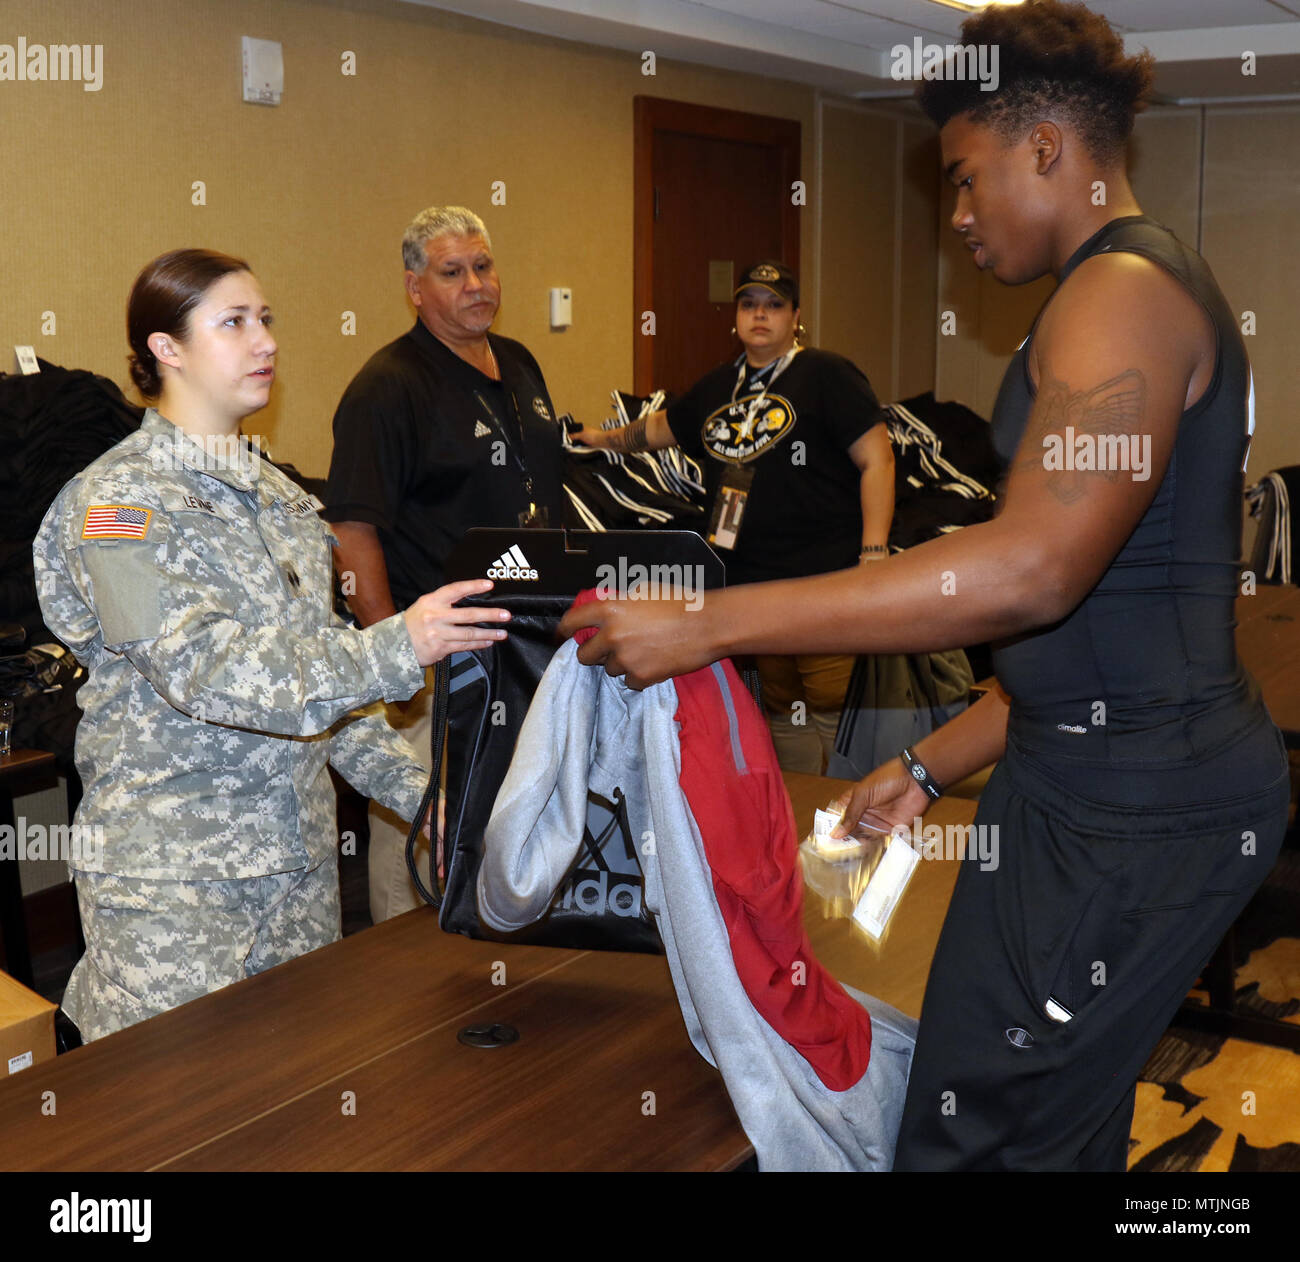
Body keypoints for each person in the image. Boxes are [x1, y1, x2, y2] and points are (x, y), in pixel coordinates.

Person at [558, 0, 1290, 1171]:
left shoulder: (1122, 298)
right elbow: (1101, 623)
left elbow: (1028, 571)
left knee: (978, 1130)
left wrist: (708, 623)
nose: (953, 216)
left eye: (964, 177)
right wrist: (920, 764)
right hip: (1088, 776)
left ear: (1044, 146)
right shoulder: (1128, 291)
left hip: (1135, 810)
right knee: (1035, 1116)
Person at [33, 248, 510, 1041]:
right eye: (234, 322)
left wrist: (422, 797)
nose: (265, 341)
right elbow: (200, 670)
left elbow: (321, 688)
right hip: (176, 888)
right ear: (167, 348)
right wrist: (399, 643)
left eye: (266, 320)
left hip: (297, 873)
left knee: (294, 1105)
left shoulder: (282, 501)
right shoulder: (116, 509)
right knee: (175, 1118)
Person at [323, 206, 565, 921]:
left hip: (523, 640)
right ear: (415, 288)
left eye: (483, 267)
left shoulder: (519, 361)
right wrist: (395, 653)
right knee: (420, 817)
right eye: (451, 272)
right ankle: (405, 979)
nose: (475, 286)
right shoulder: (387, 387)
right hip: (433, 653)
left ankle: (493, 944)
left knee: (501, 805)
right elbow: (352, 530)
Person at [573, 261, 894, 772]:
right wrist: (601, 439)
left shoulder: (828, 374)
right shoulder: (720, 385)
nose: (760, 315)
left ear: (795, 317)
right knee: (780, 709)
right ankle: (793, 808)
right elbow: (657, 430)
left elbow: (877, 459)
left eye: (774, 305)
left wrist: (874, 554)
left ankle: (843, 829)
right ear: (736, 317)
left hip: (826, 579)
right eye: (749, 304)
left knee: (832, 708)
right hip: (749, 583)